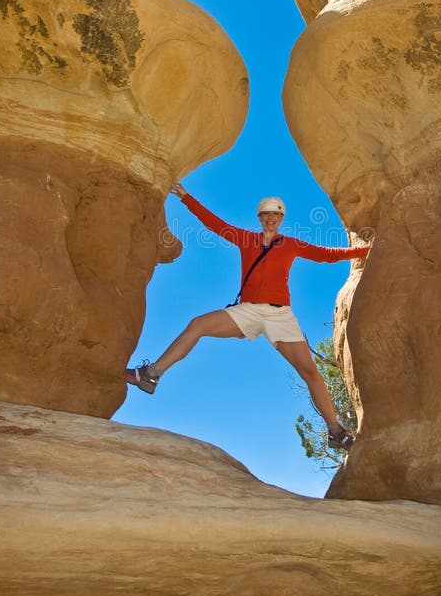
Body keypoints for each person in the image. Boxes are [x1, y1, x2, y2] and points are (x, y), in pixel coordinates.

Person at [125, 183, 371, 450]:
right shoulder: (246, 239)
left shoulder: (291, 244)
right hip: (248, 310)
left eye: (275, 215)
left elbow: (327, 255)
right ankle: (151, 374)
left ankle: (335, 431)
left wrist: (365, 251)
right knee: (197, 325)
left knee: (309, 371)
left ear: (281, 219)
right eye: (265, 215)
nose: (270, 219)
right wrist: (186, 198)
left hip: (280, 315)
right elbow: (215, 225)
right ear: (259, 218)